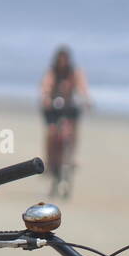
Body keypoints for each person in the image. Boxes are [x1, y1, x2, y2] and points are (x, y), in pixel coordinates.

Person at [39, 45, 91, 198]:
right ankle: (50, 162)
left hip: (69, 108)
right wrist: (47, 98)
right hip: (55, 109)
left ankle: (71, 158)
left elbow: (82, 88)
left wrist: (86, 99)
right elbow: (46, 87)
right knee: (52, 133)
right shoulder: (52, 72)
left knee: (71, 133)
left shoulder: (74, 72)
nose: (62, 63)